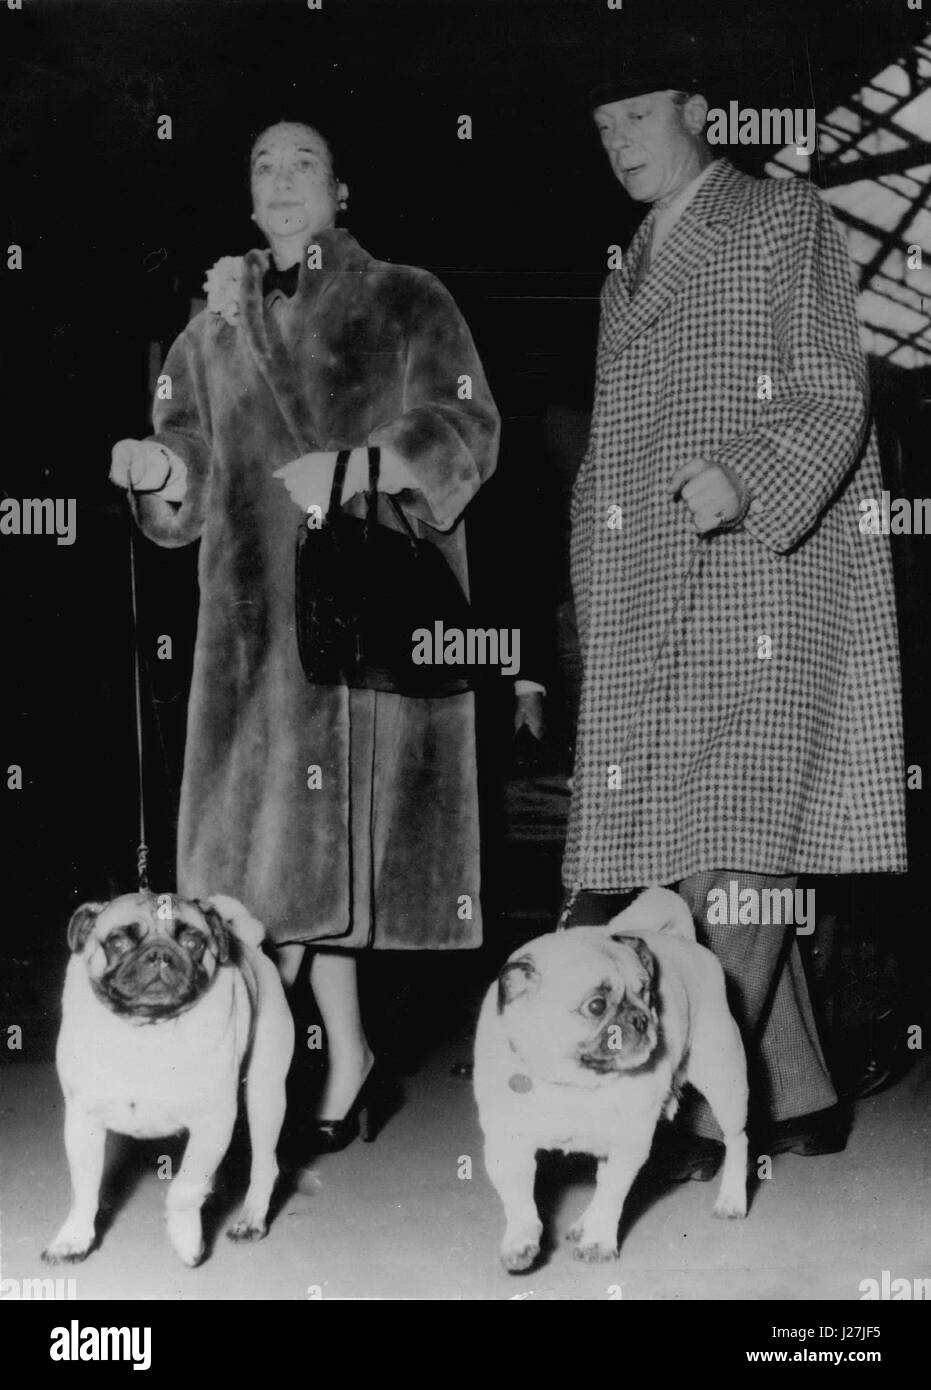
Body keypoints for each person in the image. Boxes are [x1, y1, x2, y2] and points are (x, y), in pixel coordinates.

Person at [110, 120, 499, 1147]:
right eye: (262, 166)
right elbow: (185, 460)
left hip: (356, 620)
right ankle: (344, 1060)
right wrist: (159, 472)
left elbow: (469, 428)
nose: (282, 180)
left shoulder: (407, 297)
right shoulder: (208, 329)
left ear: (342, 191)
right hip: (246, 640)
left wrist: (358, 468)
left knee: (302, 873)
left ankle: (238, 1102)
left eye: (305, 163)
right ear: (247, 199)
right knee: (267, 873)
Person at [565, 54, 907, 1173]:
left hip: (768, 565)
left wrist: (752, 472)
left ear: (699, 114)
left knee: (739, 825)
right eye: (603, 121)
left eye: (638, 111)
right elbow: (609, 452)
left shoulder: (779, 212)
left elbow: (831, 386)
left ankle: (673, 1098)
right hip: (650, 584)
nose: (617, 137)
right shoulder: (625, 272)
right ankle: (794, 1094)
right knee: (692, 831)